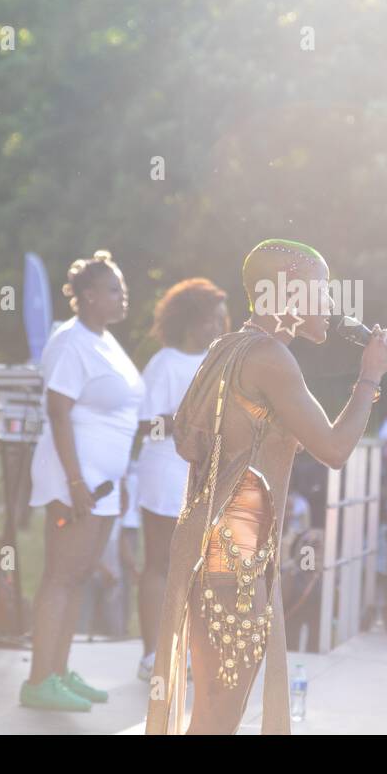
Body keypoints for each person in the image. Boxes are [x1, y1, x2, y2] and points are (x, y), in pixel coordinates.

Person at [145, 239, 387, 734]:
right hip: (233, 558)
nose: (329, 305)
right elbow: (333, 449)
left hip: (219, 547)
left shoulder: (229, 348)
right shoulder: (270, 357)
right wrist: (370, 376)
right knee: (220, 712)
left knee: (219, 707)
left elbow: (193, 441)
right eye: (320, 289)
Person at [21, 252, 144, 711]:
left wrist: (123, 476)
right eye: (114, 288)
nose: (122, 294)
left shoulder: (105, 340)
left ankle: (58, 669)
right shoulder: (71, 341)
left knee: (77, 578)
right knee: (60, 576)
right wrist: (75, 481)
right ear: (88, 297)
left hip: (106, 485)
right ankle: (38, 679)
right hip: (73, 481)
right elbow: (58, 410)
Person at [130, 277, 230, 682]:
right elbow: (145, 427)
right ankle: (153, 654)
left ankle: (186, 649)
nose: (220, 328)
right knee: (160, 563)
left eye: (224, 320)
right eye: (212, 320)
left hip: (207, 476)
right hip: (165, 474)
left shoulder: (220, 363)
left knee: (197, 567)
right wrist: (187, 421)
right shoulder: (165, 362)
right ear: (192, 321)